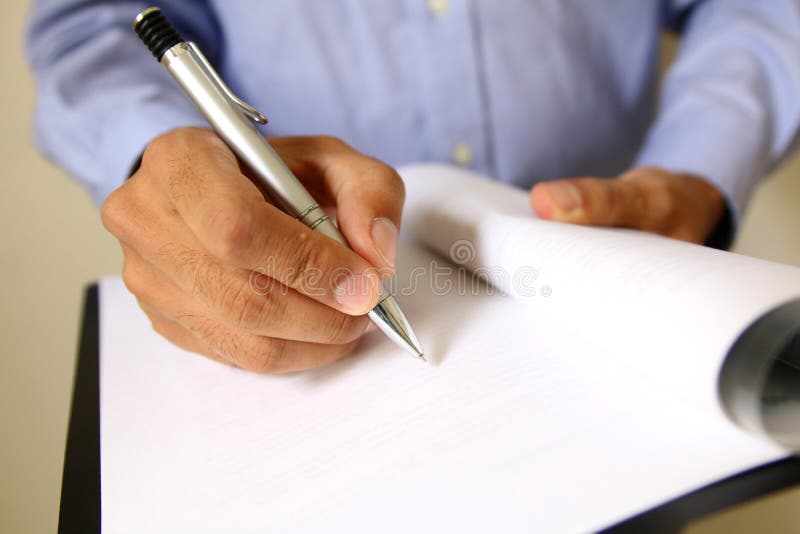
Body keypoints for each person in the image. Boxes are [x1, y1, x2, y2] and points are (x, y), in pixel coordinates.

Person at [27, 1, 800, 372]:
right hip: (291, 302)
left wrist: (699, 169)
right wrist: (163, 166)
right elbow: (89, 29)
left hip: (606, 276)